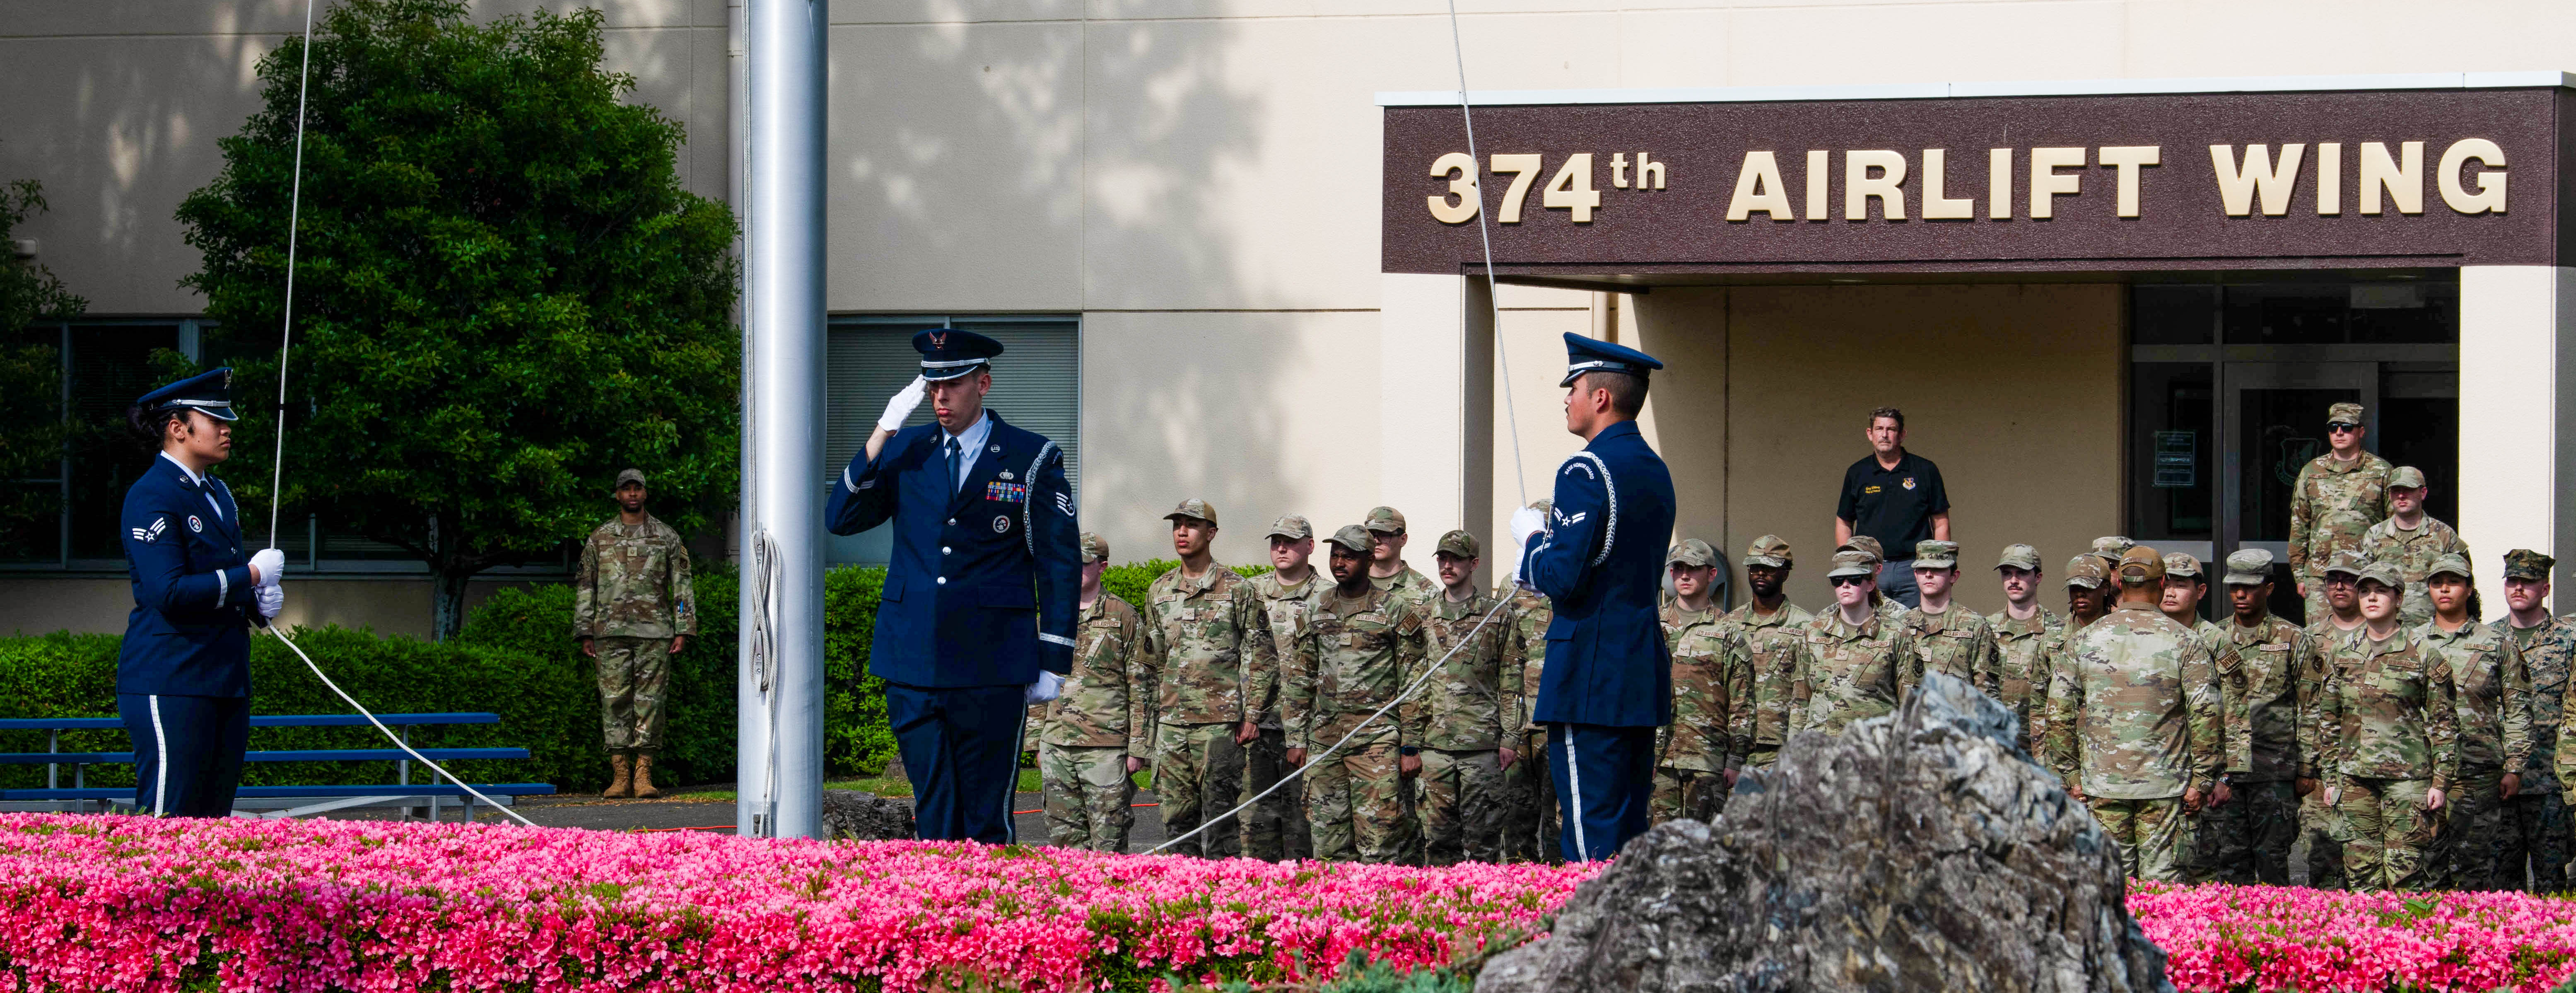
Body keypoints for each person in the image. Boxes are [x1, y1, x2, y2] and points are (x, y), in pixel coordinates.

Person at [825, 328, 1080, 843]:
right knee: (934, 808)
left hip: (991, 662)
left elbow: (1058, 562)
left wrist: (1053, 659)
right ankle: (938, 896)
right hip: (913, 659)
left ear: (983, 383)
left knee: (985, 816)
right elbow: (841, 518)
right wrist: (882, 431)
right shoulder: (907, 449)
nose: (941, 397)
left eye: (954, 384)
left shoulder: (1030, 457)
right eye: (932, 386)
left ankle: (988, 897)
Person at [1508, 332, 1676, 863]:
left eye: (1574, 387)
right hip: (1637, 669)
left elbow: (1562, 578)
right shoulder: (1656, 470)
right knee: (1629, 831)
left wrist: (1531, 542)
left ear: (1600, 397)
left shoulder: (1584, 469)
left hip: (1589, 673)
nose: (1567, 398)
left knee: (1589, 835)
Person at [116, 368, 284, 818]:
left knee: (213, 827)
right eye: (215, 421)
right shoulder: (152, 494)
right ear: (178, 428)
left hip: (224, 677)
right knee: (168, 820)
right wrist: (250, 575)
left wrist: (257, 604)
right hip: (172, 677)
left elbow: (215, 577)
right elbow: (167, 592)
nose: (227, 430)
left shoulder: (217, 492)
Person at [2043, 547, 2222, 882]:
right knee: (2162, 894)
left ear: (2119, 584)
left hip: (2102, 787)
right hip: (2165, 789)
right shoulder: (2186, 641)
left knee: (2111, 889)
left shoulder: (2083, 640)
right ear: (2163, 583)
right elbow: (2206, 713)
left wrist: (2072, 778)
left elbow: (2057, 713)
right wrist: (2203, 780)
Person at [1285, 525, 1429, 863]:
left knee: (1379, 847)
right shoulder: (1317, 608)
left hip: (1375, 742)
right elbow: (1301, 676)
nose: (1339, 562)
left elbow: (1414, 682)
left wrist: (1411, 745)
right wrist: (1296, 738)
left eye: (1348, 556)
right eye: (1335, 555)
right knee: (1328, 848)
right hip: (1326, 742)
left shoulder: (1393, 610)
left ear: (1368, 560)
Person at [1141, 498, 1273, 859]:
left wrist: (1252, 714)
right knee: (1175, 824)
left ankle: (1222, 891)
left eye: (1192, 525)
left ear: (1211, 533)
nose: (1182, 532)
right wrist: (1151, 723)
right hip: (1172, 725)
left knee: (1222, 825)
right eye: (1177, 525)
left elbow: (1261, 655)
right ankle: (1180, 892)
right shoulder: (1159, 591)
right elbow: (1151, 663)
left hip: (1218, 726)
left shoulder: (1237, 589)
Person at [2320, 561, 2458, 891]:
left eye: (2380, 591)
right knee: (2360, 874)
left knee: (2405, 874)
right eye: (2365, 591)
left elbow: (2444, 722)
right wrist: (2330, 777)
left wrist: (2441, 781)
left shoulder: (2424, 652)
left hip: (2407, 780)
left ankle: (2404, 927)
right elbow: (2329, 718)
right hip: (2355, 777)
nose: (2371, 598)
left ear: (2399, 599)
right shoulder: (2343, 651)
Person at [573, 468, 697, 800]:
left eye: (637, 488)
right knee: (613, 701)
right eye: (626, 489)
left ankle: (644, 773)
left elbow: (682, 587)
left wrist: (683, 628)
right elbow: (586, 586)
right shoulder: (600, 538)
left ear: (645, 493)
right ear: (617, 495)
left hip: (655, 632)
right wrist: (585, 631)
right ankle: (620, 774)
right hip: (609, 631)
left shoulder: (666, 536)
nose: (632, 494)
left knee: (650, 702)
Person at [1406, 529, 1522, 864]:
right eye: (1442, 558)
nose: (1447, 565)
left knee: (1484, 844)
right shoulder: (1423, 616)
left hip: (1482, 746)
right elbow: (1411, 681)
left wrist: (1511, 737)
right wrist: (1410, 742)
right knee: (1438, 844)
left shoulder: (1497, 615)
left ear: (1474, 563)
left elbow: (1511, 678)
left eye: (1456, 559)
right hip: (1434, 747)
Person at [2416, 553, 2530, 889]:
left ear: (2468, 589)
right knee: (2425, 869)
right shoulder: (2411, 641)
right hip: (2424, 770)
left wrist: (2515, 767)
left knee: (2474, 871)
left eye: (2453, 582)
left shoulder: (2497, 642)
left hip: (2478, 773)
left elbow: (2518, 708)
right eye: (2437, 583)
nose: (2445, 589)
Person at [1036, 533, 1154, 852]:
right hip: (1057, 745)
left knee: (1109, 843)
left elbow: (1142, 686)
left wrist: (1138, 748)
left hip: (1105, 748)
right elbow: (1036, 683)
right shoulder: (1051, 615)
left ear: (1102, 566)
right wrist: (1035, 742)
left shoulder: (1123, 615)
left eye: (1084, 562)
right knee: (1064, 845)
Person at [2207, 548, 2312, 886]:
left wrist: (2307, 767)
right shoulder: (2214, 638)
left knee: (2274, 865)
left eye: (2250, 587)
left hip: (2274, 772)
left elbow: (2310, 707)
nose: (2240, 594)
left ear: (2268, 588)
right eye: (2235, 586)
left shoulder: (2293, 639)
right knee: (2229, 866)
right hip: (2227, 775)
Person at [1241, 515, 1325, 860]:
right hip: (1255, 729)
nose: (1281, 548)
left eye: (1290, 541)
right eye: (1276, 541)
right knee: (1253, 831)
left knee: (1302, 832)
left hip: (1306, 732)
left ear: (1310, 546)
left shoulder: (1327, 596)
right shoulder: (1249, 592)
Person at [2160, 553, 2247, 884]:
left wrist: (2227, 776)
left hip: (2203, 775)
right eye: (2166, 584)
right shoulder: (2149, 635)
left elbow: (2238, 711)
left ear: (2201, 591)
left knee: (2201, 872)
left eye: (2180, 585)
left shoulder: (2215, 640)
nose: (2170, 592)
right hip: (2157, 772)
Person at [1652, 539, 1749, 825]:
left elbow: (1742, 700)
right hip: (1659, 758)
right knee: (1660, 841)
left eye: (1693, 568)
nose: (1685, 575)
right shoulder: (1653, 623)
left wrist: (1736, 759)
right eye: (1678, 568)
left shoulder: (1728, 630)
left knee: (1703, 842)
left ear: (1711, 574)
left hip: (1708, 759)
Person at [2299, 550, 2371, 888]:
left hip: (2369, 765)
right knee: (2322, 861)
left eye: (2349, 580)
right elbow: (2299, 702)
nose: (2340, 586)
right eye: (2333, 579)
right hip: (2319, 767)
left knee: (2368, 864)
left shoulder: (2382, 635)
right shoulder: (2309, 638)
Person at [2506, 551, 2576, 892]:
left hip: (2550, 783)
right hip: (2501, 781)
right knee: (2501, 885)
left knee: (2552, 883)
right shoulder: (2488, 639)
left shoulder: (2569, 638)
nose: (2519, 588)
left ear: (2545, 588)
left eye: (2528, 581)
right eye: (2512, 580)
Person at [2288, 402, 2395, 624]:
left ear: (2361, 432)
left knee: (2367, 636)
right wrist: (2299, 575)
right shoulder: (2312, 471)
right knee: (2320, 636)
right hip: (2321, 576)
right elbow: (2300, 525)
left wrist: (2387, 575)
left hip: (2366, 575)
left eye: (2347, 427)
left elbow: (2393, 527)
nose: (2339, 432)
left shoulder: (2381, 471)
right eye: (2333, 427)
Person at [1835, 407, 1950, 610]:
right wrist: (1849, 565)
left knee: (1915, 626)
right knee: (1869, 625)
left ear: (1902, 435)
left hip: (1914, 568)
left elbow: (1941, 523)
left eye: (1892, 429)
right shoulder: (1857, 473)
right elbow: (1844, 522)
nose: (1885, 435)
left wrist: (1937, 566)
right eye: (1879, 429)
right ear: (1870, 434)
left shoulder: (1925, 470)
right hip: (1869, 568)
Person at [1795, 549, 1918, 735]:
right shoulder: (1814, 632)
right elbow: (1801, 699)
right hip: (1820, 746)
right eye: (1838, 580)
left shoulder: (1896, 635)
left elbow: (1910, 705)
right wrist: (1794, 747)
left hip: (1870, 747)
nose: (1845, 585)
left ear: (1871, 584)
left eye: (1854, 579)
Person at [1497, 500, 1560, 863]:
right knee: (1517, 812)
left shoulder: (1568, 578)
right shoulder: (1511, 584)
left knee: (1558, 814)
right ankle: (1519, 883)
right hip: (1519, 720)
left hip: (1557, 715)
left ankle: (1559, 882)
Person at [1730, 536, 1812, 771]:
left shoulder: (1807, 627)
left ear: (1785, 574)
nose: (1760, 574)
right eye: (1755, 568)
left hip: (1782, 748)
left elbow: (1809, 692)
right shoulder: (1730, 624)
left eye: (1769, 569)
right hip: (1735, 748)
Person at [2028, 554, 2117, 763]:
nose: (2080, 594)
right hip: (2062, 756)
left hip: (2110, 754)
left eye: (2088, 588)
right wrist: (2040, 757)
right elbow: (2039, 703)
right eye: (2074, 588)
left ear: (2106, 588)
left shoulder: (2122, 636)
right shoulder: (2052, 639)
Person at [2361, 466, 2470, 627]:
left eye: (2408, 490)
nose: (2401, 496)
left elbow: (2464, 585)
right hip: (2385, 630)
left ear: (2423, 493)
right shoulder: (2374, 536)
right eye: (2395, 491)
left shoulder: (2444, 535)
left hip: (2433, 631)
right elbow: (2361, 585)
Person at [1981, 544, 2062, 754]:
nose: (2013, 580)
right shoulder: (1985, 628)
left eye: (2022, 573)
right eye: (2007, 574)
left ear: (2038, 577)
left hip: (2041, 748)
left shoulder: (2059, 631)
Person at [1898, 540, 1994, 688]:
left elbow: (1987, 690)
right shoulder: (1900, 625)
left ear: (1954, 576)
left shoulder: (1975, 626)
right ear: (1916, 575)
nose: (1928, 574)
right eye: (1923, 569)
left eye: (1937, 569)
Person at [1366, 506, 1435, 617]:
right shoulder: (1352, 583)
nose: (1376, 541)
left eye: (1384, 535)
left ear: (1403, 540)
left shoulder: (1427, 592)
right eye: (1371, 535)